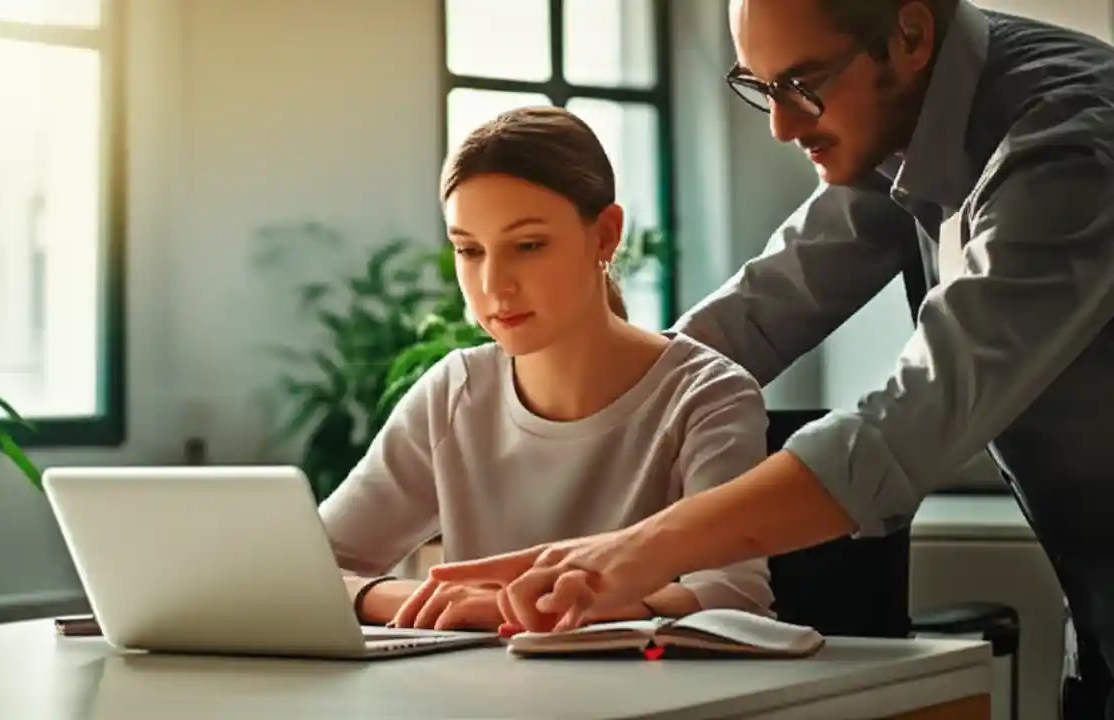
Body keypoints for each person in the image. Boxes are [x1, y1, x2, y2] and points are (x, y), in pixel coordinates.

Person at [429, 1, 1114, 717]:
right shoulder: (906, 116)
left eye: (801, 84)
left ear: (910, 34)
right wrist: (585, 422)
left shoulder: (1070, 142)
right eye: (759, 87)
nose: (781, 126)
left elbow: (901, 429)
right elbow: (765, 304)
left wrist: (636, 549)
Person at [317, 105, 774, 632]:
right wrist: (423, 602)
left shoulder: (707, 396)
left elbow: (731, 595)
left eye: (528, 246)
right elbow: (310, 564)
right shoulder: (454, 393)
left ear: (605, 235)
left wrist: (531, 609)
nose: (494, 285)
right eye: (469, 250)